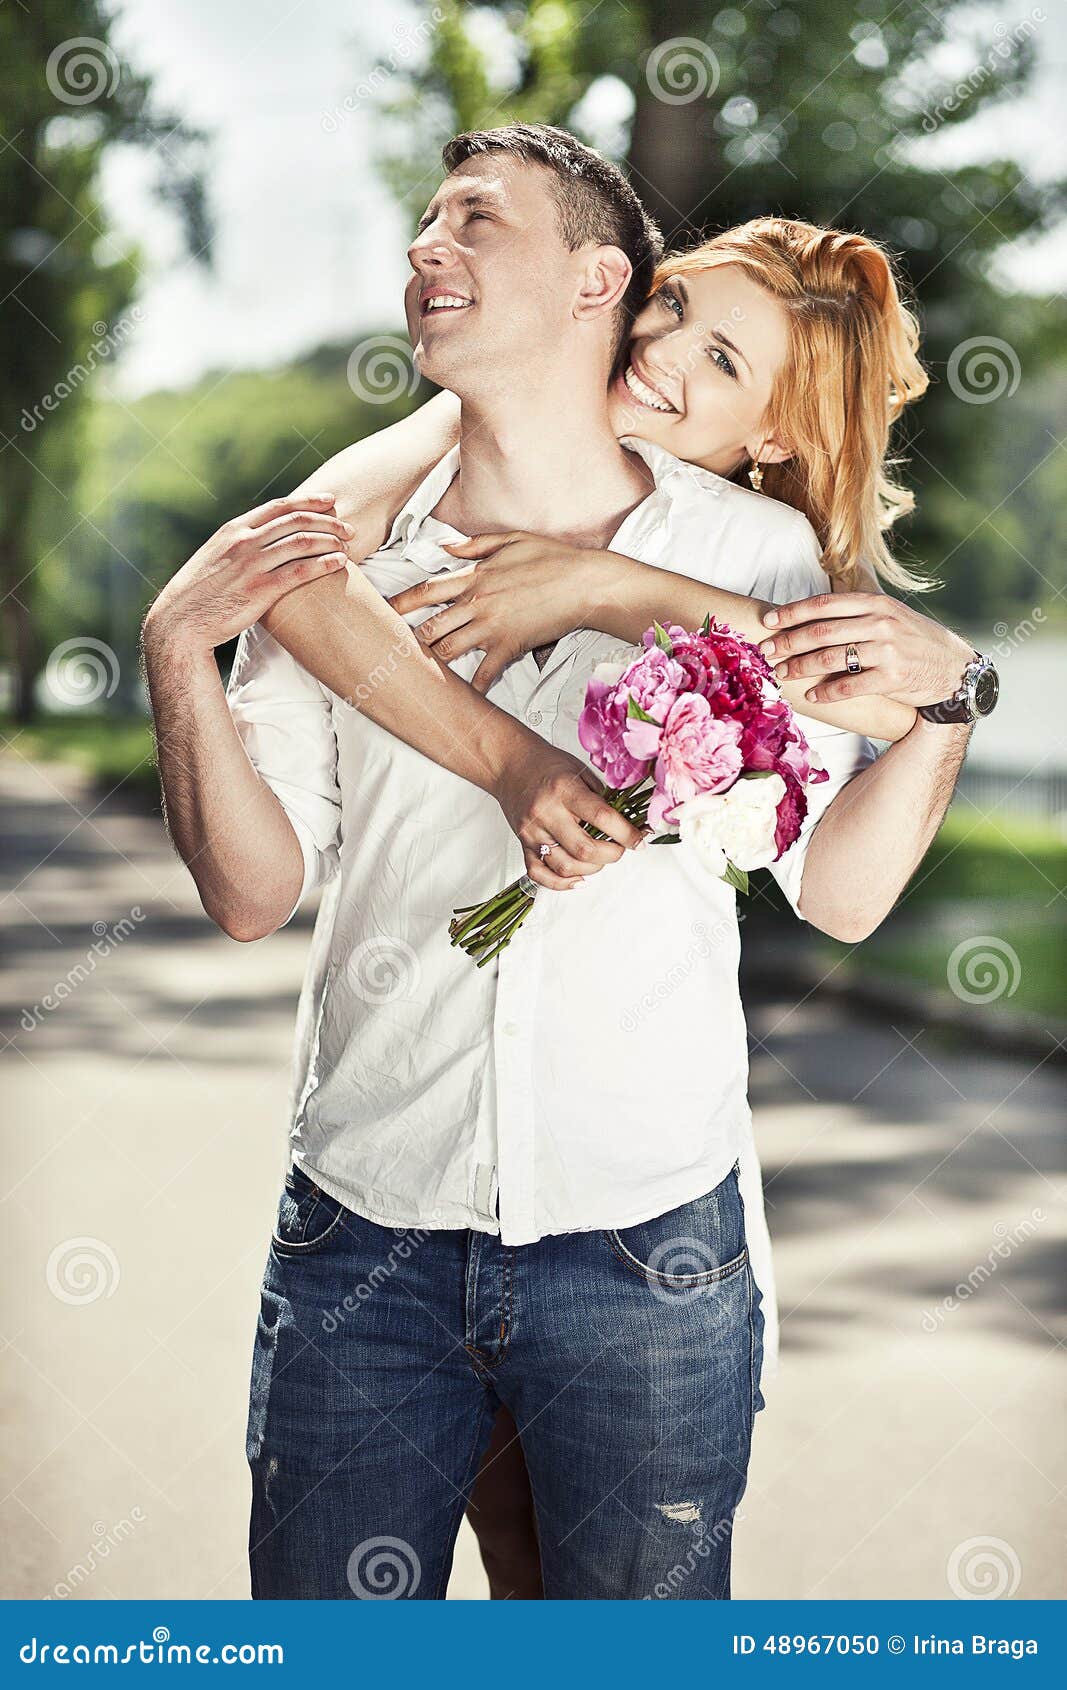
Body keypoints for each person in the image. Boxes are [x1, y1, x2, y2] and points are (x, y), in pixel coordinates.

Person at [143, 125, 993, 1600]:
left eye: (722, 364)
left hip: (645, 1236)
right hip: (372, 1225)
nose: (663, 351)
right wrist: (185, 646)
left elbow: (845, 885)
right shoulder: (371, 523)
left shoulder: (760, 564)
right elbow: (258, 854)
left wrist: (945, 702)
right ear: (622, 291)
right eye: (671, 312)